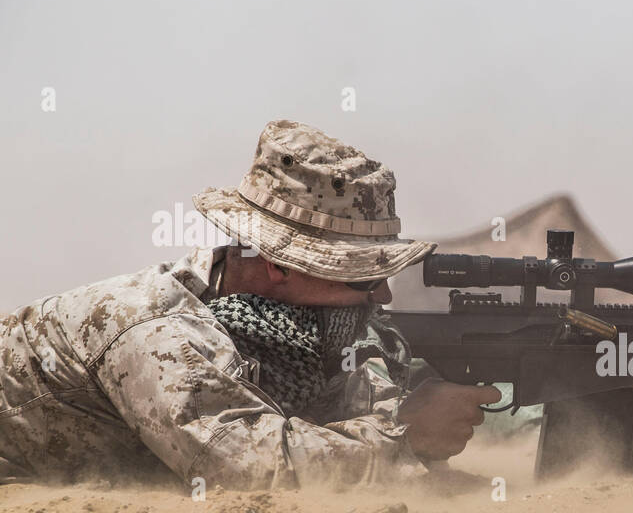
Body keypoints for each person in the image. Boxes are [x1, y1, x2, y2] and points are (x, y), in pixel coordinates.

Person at [0, 119, 500, 488]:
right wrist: (406, 437)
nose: (382, 296)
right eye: (362, 280)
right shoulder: (155, 327)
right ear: (278, 264)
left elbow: (350, 410)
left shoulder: (301, 325)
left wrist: (418, 411)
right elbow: (245, 469)